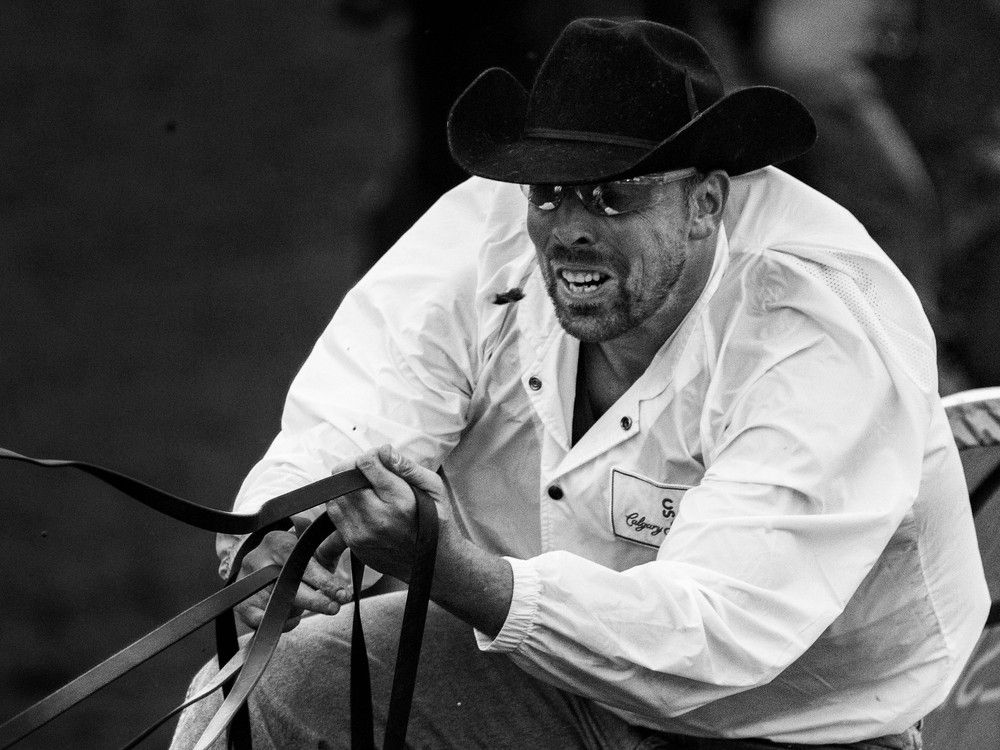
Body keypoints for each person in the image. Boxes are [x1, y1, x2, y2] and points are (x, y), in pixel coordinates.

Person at [172, 18, 989, 749]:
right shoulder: (487, 232)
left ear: (705, 203)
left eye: (612, 197)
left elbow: (713, 639)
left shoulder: (817, 320)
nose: (570, 231)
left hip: (790, 730)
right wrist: (286, 532)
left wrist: (449, 568)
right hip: (548, 683)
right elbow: (351, 418)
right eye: (551, 194)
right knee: (268, 679)